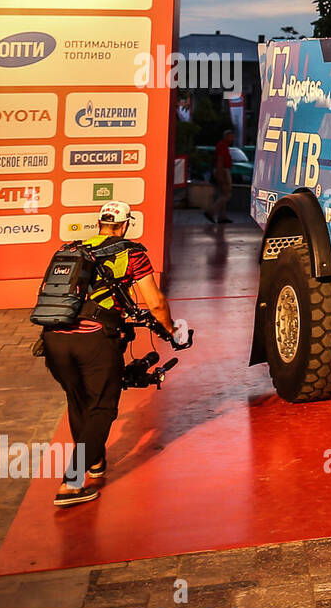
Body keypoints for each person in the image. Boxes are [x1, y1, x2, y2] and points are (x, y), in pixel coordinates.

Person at [40, 202, 177, 506]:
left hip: (53, 338)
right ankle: (71, 484)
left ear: (99, 223)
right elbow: (154, 302)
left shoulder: (73, 247)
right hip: (95, 339)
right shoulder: (131, 253)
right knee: (103, 407)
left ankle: (95, 463)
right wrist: (171, 331)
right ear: (126, 225)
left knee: (79, 401)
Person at [205, 129, 235, 224]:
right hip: (223, 171)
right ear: (226, 136)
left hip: (222, 170)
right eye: (231, 136)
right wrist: (221, 175)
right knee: (226, 194)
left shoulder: (224, 146)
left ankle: (222, 217)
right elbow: (220, 160)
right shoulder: (222, 146)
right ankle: (211, 212)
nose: (232, 139)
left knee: (222, 194)